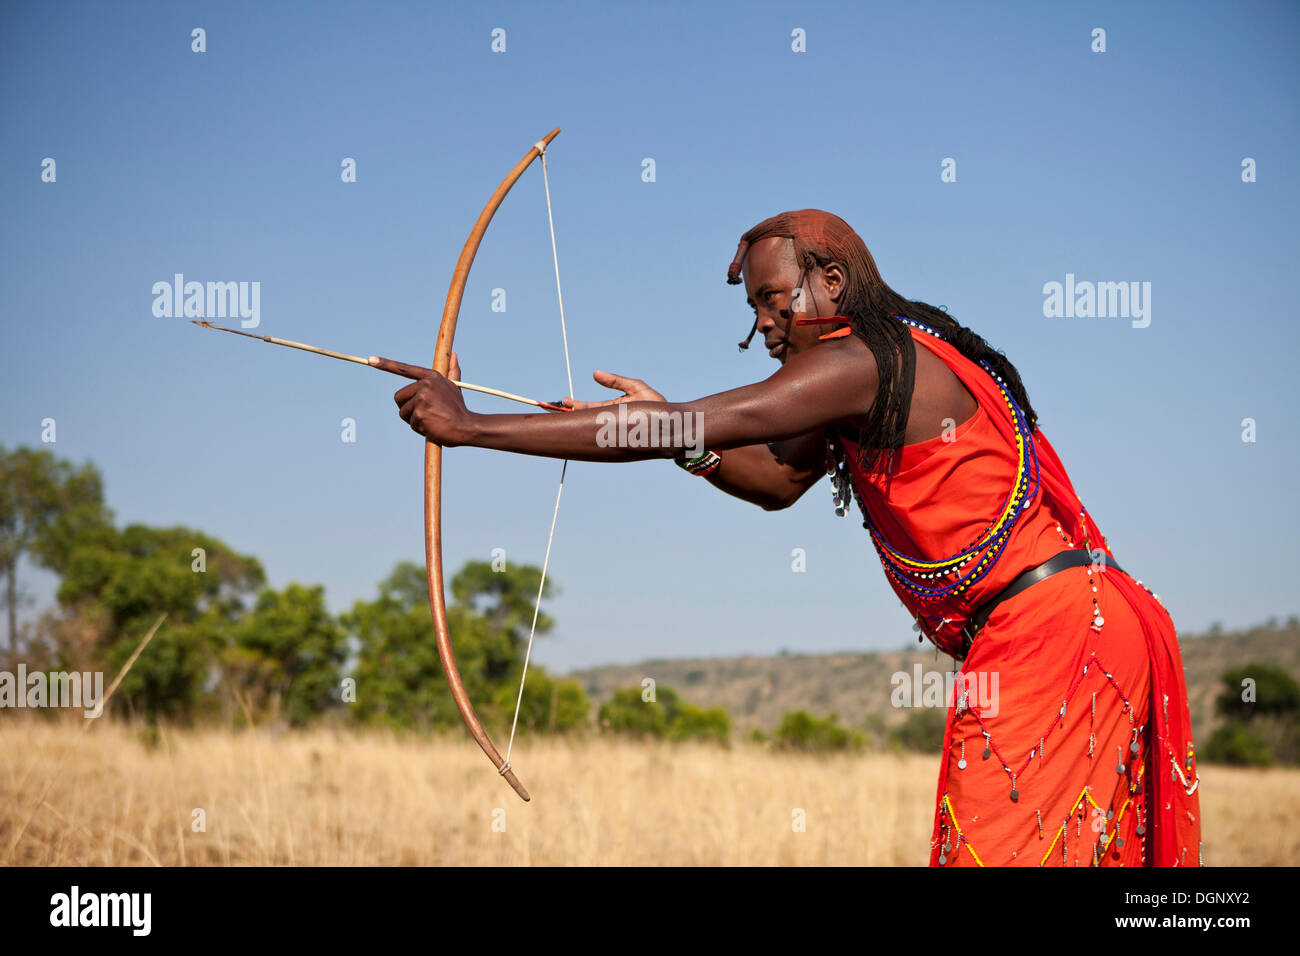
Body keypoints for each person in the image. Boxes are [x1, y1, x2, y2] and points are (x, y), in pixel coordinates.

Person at [392, 208, 1202, 867]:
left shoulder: (860, 363)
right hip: (1063, 630)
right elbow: (776, 481)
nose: (765, 322)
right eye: (752, 306)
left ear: (831, 283)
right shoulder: (860, 378)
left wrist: (469, 428)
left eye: (774, 299)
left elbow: (698, 421)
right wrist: (668, 433)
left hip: (1059, 635)